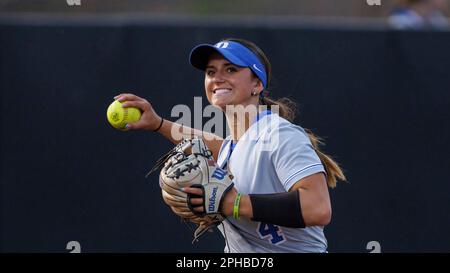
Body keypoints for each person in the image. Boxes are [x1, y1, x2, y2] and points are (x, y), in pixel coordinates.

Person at [114, 38, 346, 253]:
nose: (217, 78)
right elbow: (221, 146)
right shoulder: (236, 144)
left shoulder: (280, 134)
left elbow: (318, 208)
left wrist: (232, 203)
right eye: (210, 72)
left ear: (257, 83)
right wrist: (158, 123)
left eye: (231, 69)